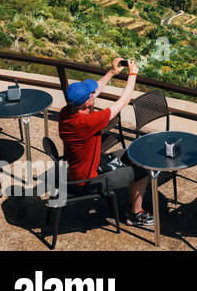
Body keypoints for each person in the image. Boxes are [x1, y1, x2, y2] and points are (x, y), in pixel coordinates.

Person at [58, 57, 154, 228]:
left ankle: (132, 202)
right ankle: (136, 214)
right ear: (87, 103)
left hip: (79, 172)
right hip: (88, 182)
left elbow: (94, 92)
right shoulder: (87, 122)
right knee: (143, 168)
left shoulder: (67, 112)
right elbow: (123, 102)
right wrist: (133, 74)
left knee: (132, 153)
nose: (93, 93)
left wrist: (111, 72)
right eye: (90, 95)